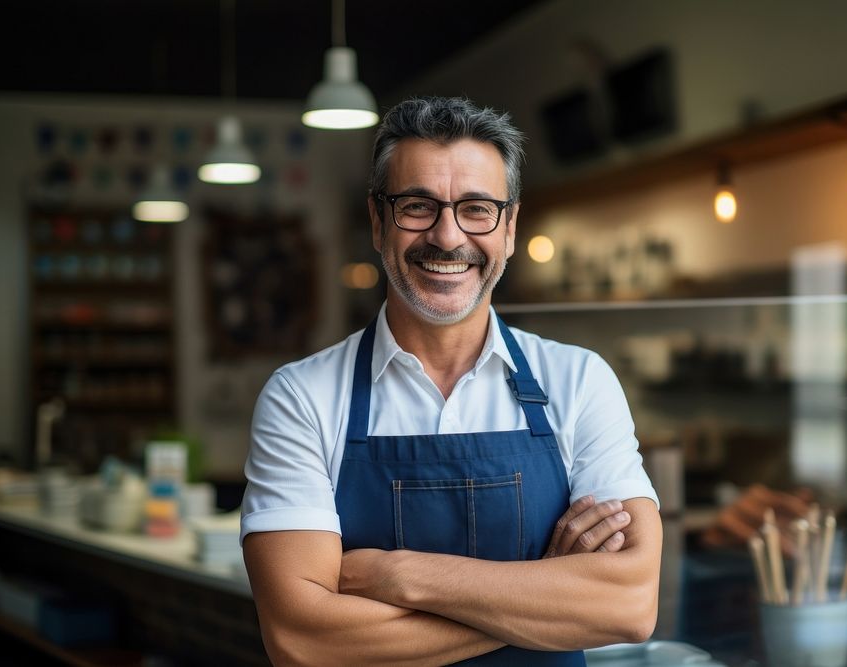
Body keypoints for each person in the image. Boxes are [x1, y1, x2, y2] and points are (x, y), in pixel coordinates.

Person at [240, 96, 663, 666]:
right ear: (376, 220)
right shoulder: (301, 398)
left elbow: (630, 605)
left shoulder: (579, 381)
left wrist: (404, 575)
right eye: (417, 206)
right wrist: (547, 597)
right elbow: (302, 641)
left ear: (509, 227)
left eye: (477, 208)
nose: (447, 236)